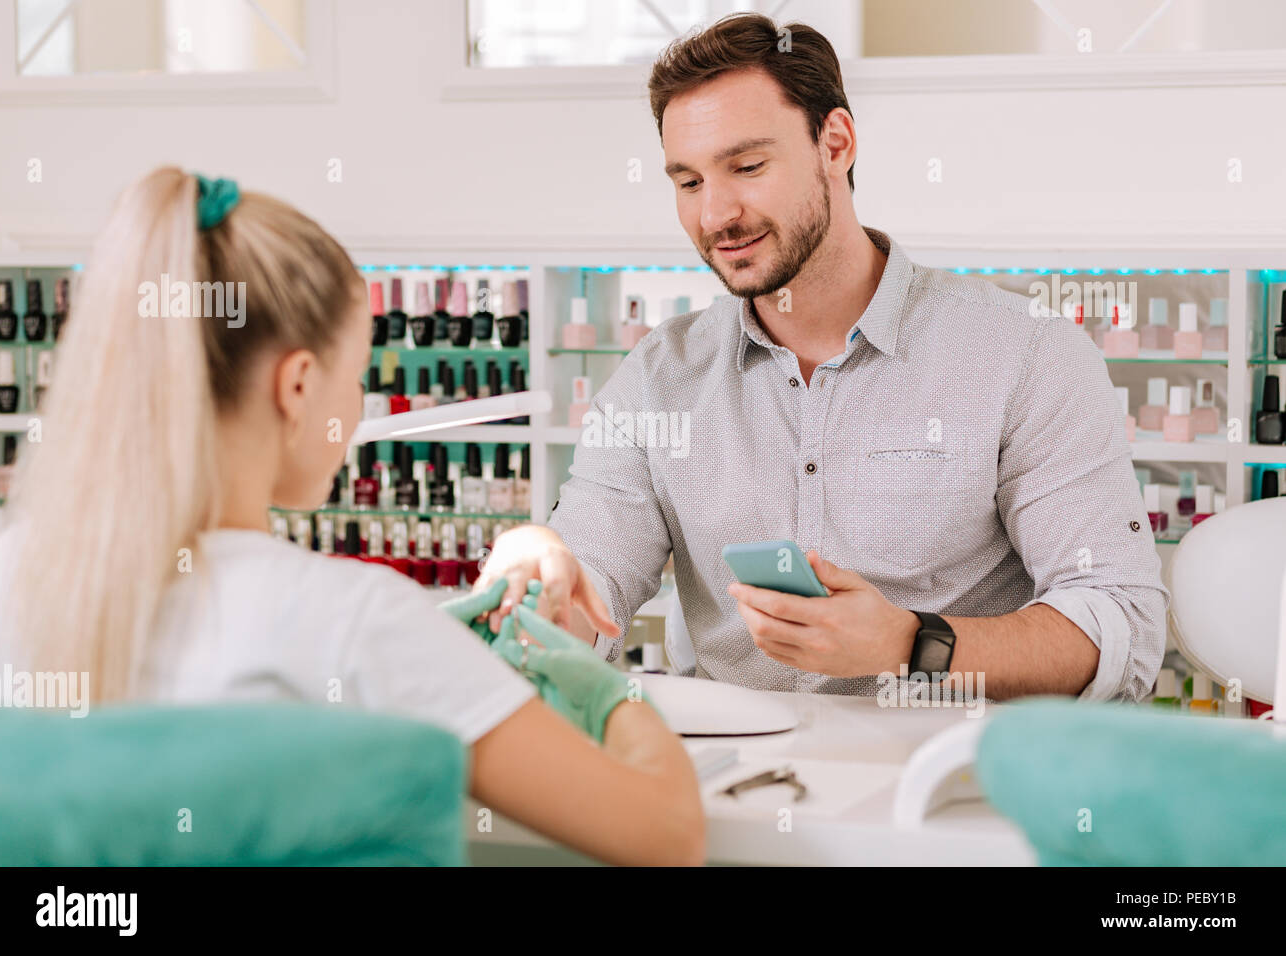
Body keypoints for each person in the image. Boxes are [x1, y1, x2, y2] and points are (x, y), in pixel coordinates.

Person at [0, 167, 704, 866]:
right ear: (297, 385)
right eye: (355, 373)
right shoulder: (359, 619)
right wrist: (608, 692)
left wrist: (430, 659)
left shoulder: (10, 573)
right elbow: (668, 834)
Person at [476, 13, 1167, 702]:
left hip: (948, 786)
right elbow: (590, 576)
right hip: (729, 783)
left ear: (835, 143)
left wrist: (908, 643)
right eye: (688, 183)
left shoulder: (1025, 354)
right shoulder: (660, 377)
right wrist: (538, 600)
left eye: (747, 167)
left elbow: (1120, 625)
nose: (716, 214)